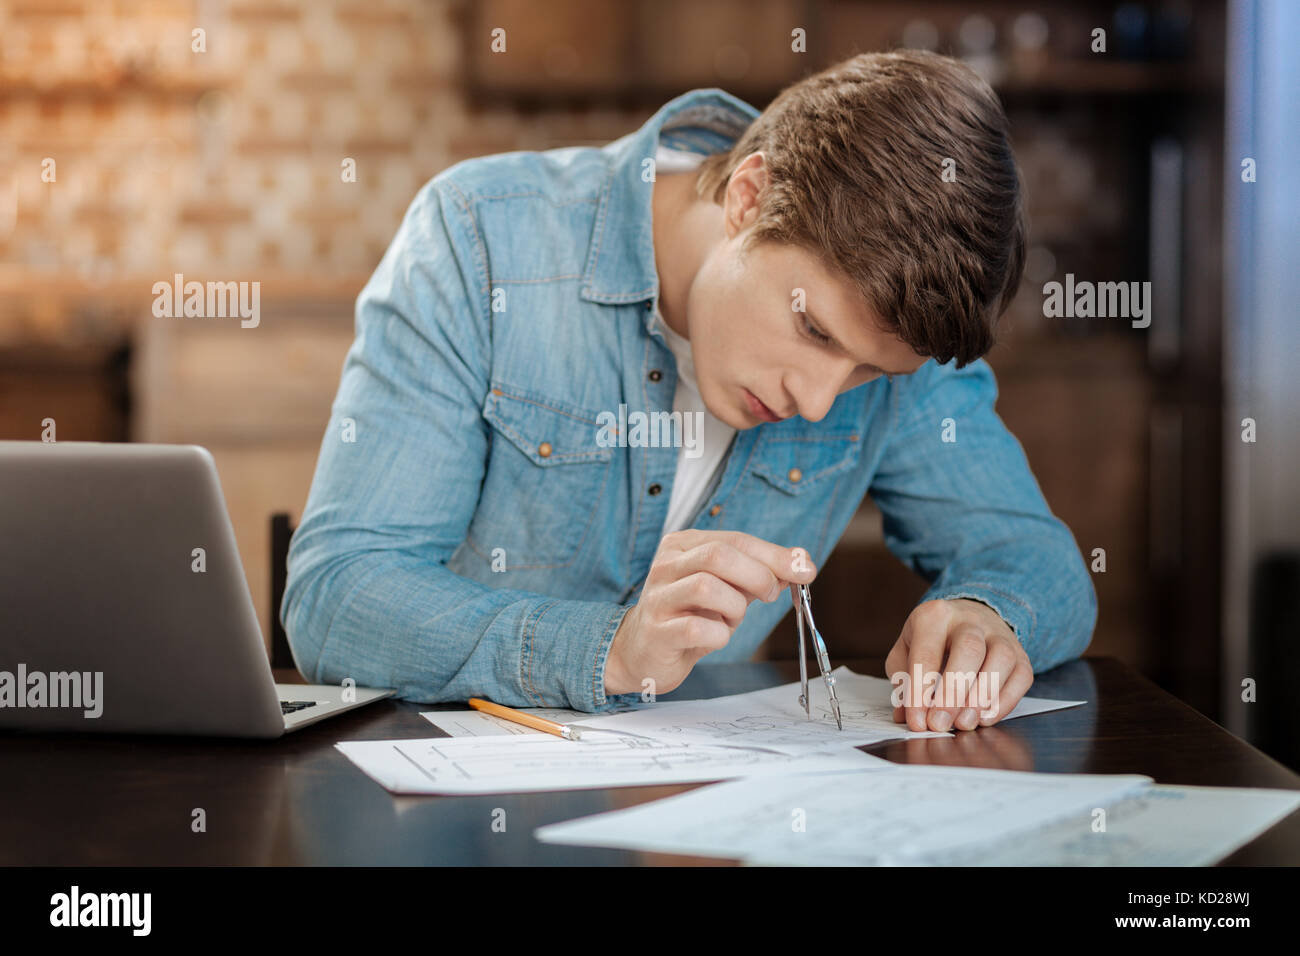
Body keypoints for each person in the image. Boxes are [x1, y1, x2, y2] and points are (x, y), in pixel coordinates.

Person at [282, 50, 1096, 735]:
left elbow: (1038, 562)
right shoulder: (482, 239)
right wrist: (606, 649)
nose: (819, 400)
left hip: (705, 818)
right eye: (814, 331)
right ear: (748, 197)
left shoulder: (897, 344)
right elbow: (337, 595)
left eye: (868, 375)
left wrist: (991, 616)